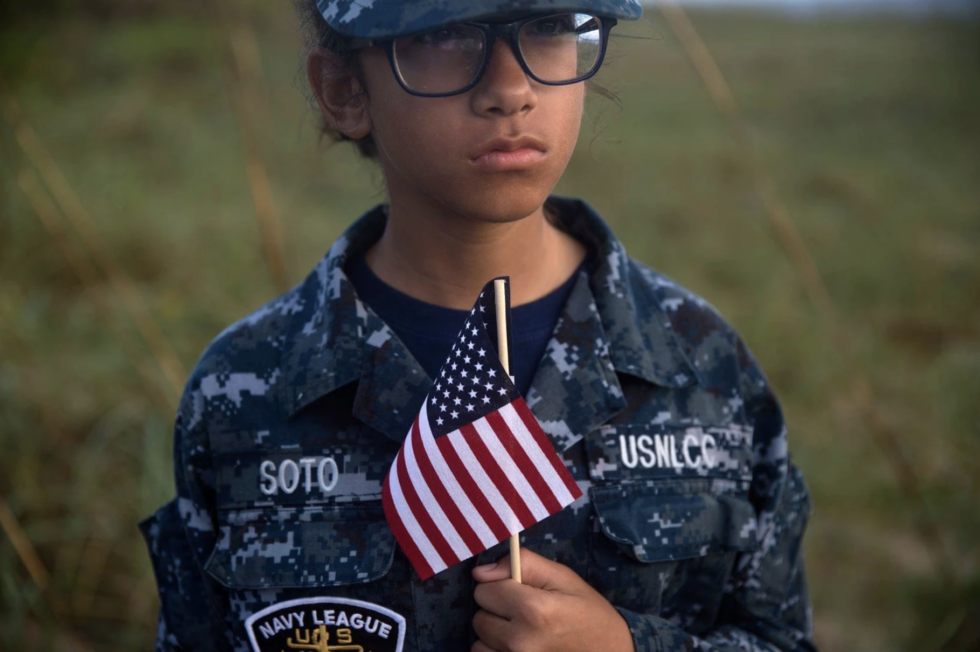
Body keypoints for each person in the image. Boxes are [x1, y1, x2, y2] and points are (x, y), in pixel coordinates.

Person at [140, 1, 816, 650]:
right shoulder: (245, 388)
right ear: (346, 91)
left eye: (550, 25)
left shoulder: (702, 364)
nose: (511, 90)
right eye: (445, 34)